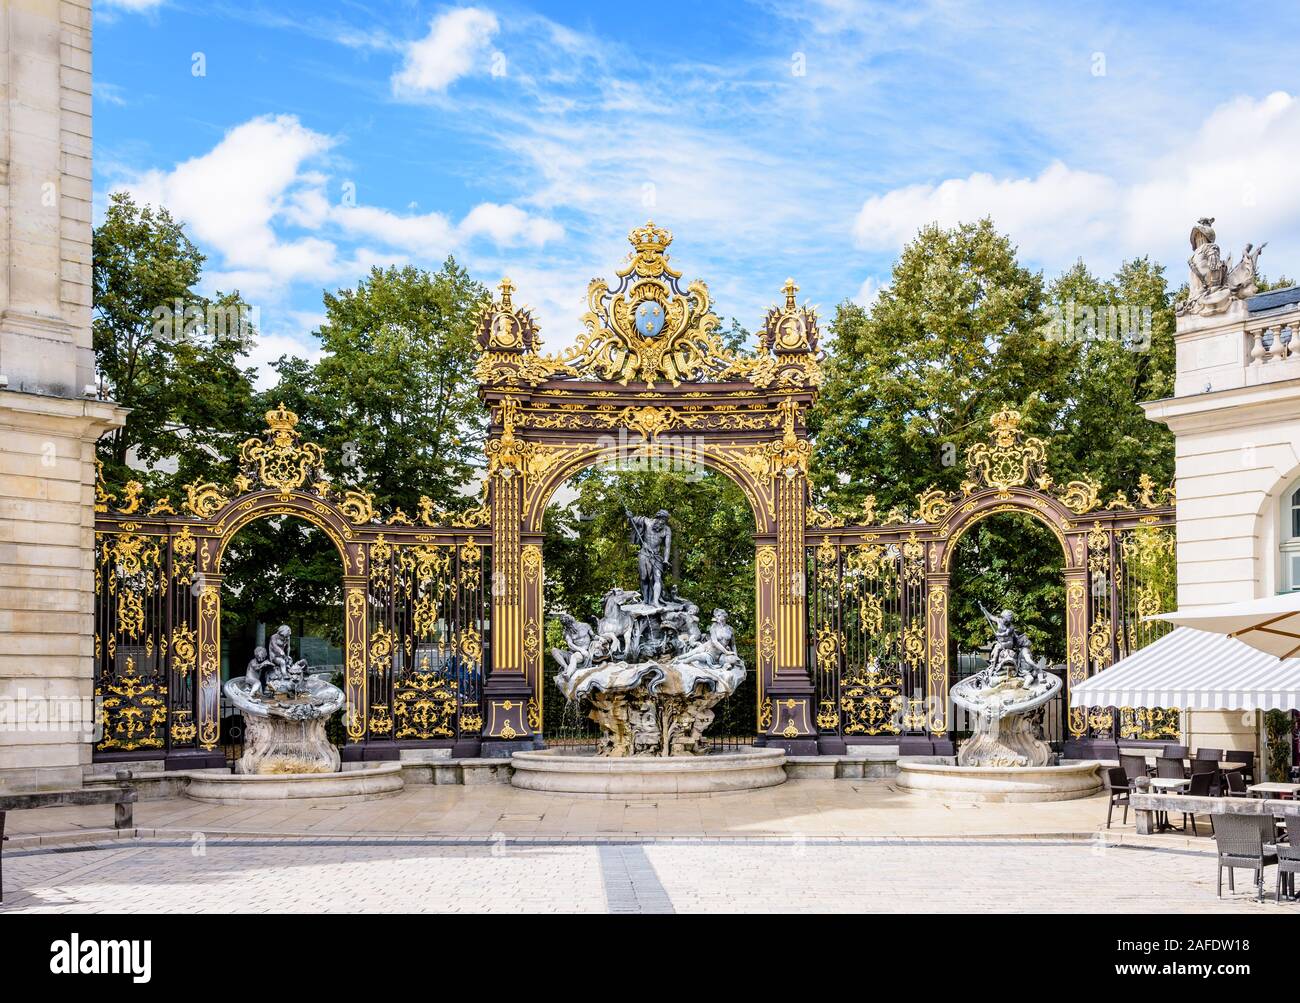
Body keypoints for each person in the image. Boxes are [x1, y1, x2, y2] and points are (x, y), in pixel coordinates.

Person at [625, 507, 672, 606]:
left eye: (664, 521)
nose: (662, 522)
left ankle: (655, 601)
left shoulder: (667, 530)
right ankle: (646, 600)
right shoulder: (646, 521)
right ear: (658, 518)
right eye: (661, 519)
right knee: (644, 577)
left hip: (656, 556)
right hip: (644, 554)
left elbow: (667, 547)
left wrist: (666, 560)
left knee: (657, 577)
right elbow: (632, 522)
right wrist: (629, 517)